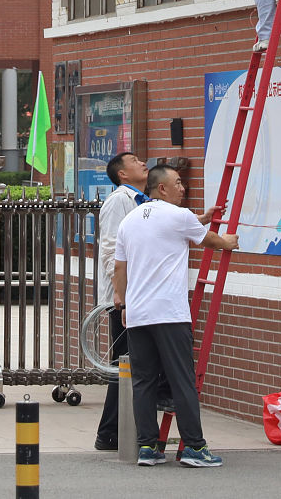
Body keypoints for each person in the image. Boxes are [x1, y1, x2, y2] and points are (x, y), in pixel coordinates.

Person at [113, 164, 238, 467]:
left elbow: (120, 268)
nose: (184, 188)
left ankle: (148, 448)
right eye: (178, 183)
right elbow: (209, 240)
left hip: (138, 314)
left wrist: (125, 304)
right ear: (162, 189)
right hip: (170, 313)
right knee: (182, 379)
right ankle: (195, 448)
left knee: (143, 382)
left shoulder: (129, 221)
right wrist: (228, 241)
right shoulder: (178, 217)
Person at [94, 151, 149, 451]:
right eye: (135, 161)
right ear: (122, 174)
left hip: (139, 295)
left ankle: (114, 431)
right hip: (125, 299)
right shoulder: (120, 201)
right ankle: (110, 432)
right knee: (125, 365)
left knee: (130, 364)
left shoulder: (144, 200)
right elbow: (110, 250)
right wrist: (121, 294)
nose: (143, 162)